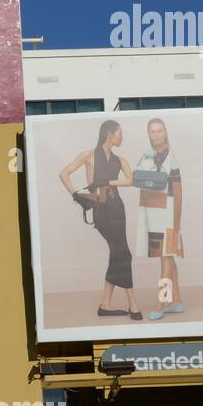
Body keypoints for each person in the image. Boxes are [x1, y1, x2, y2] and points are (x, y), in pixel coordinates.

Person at [58, 120, 142, 320]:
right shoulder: (88, 155)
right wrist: (77, 196)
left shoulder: (120, 160)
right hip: (101, 209)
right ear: (109, 135)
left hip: (118, 209)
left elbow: (132, 180)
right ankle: (133, 304)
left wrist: (107, 181)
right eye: (120, 133)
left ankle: (106, 305)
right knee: (123, 254)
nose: (122, 137)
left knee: (118, 253)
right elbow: (64, 174)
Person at [133, 118, 185, 320]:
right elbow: (137, 179)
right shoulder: (146, 157)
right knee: (168, 257)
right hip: (151, 212)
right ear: (149, 134)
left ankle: (162, 301)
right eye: (153, 131)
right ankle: (177, 300)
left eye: (160, 130)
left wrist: (177, 223)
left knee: (166, 256)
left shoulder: (172, 158)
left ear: (165, 132)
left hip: (167, 214)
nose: (156, 134)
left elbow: (179, 192)